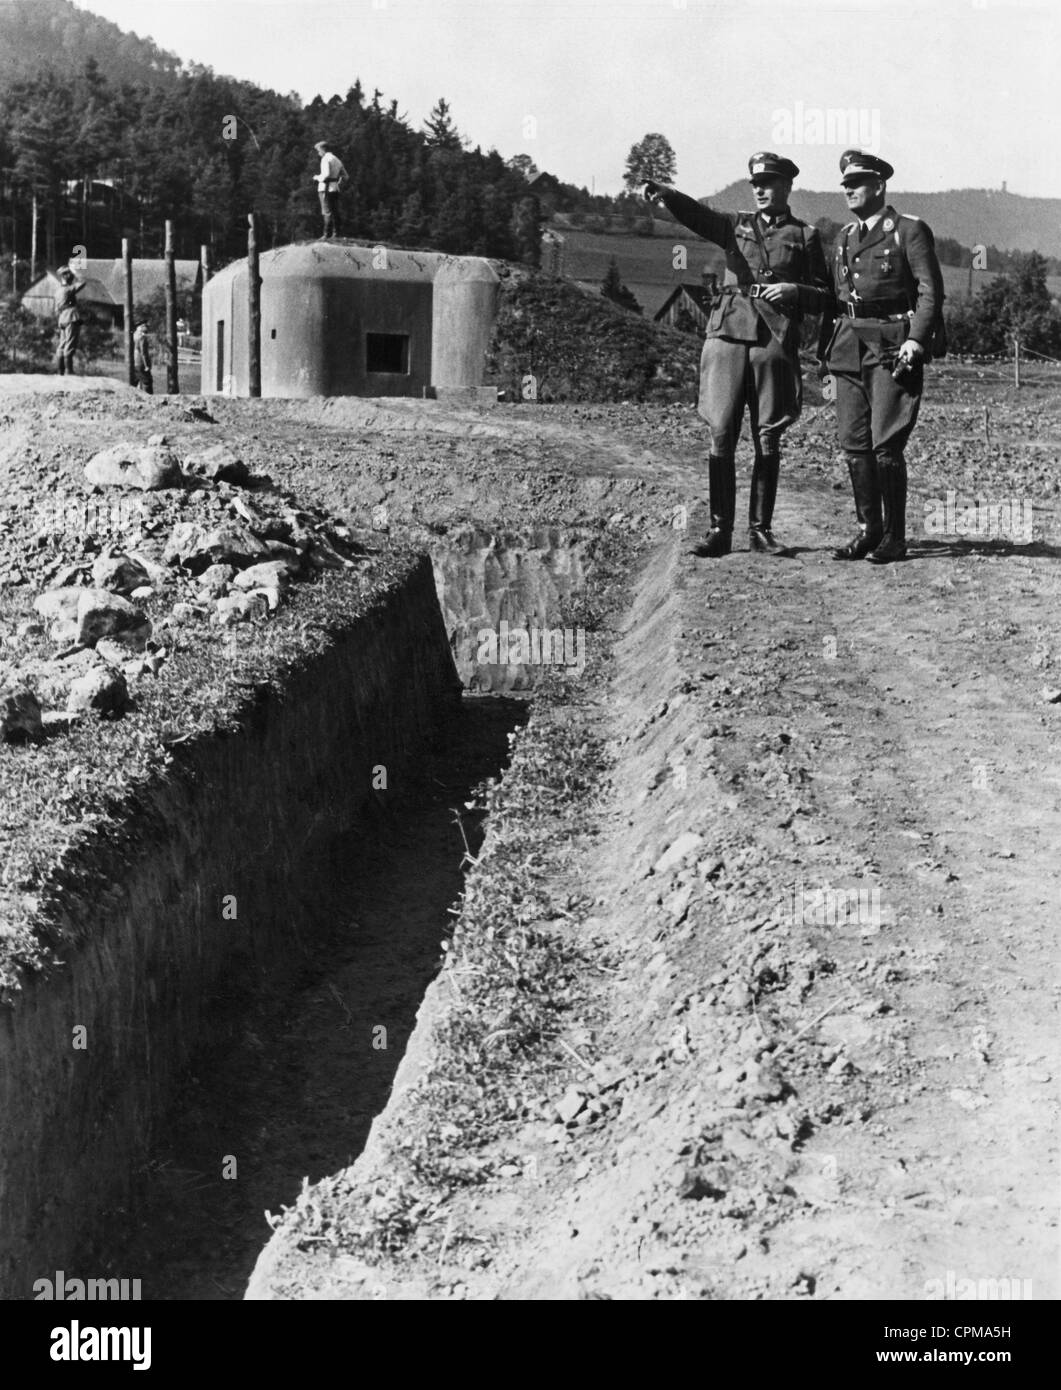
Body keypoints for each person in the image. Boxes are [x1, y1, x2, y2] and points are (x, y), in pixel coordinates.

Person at [642, 153, 832, 556]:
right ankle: (719, 531)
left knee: (768, 434)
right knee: (721, 431)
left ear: (787, 186)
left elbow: (825, 297)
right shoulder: (735, 226)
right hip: (727, 333)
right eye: (755, 183)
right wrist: (669, 195)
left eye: (768, 182)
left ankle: (760, 531)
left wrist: (796, 292)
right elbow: (697, 215)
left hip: (774, 341)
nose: (760, 190)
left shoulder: (805, 236)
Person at [818, 150, 945, 564]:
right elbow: (837, 301)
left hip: (893, 347)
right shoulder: (844, 237)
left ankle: (895, 536)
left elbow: (929, 292)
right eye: (846, 185)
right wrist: (825, 356)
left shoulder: (907, 230)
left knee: (886, 444)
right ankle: (868, 531)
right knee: (855, 444)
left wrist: (916, 340)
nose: (849, 190)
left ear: (879, 185)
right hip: (849, 346)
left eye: (857, 183)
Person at [312, 139, 349, 239]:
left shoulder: (325, 159)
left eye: (319, 150)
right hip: (335, 188)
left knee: (327, 211)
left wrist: (316, 177)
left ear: (323, 149)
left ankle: (326, 235)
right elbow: (346, 176)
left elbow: (326, 175)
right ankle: (336, 233)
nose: (318, 153)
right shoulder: (337, 159)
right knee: (335, 211)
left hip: (325, 188)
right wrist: (337, 182)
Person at [54, 266, 85, 376]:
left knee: (62, 345)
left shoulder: (57, 291)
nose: (71, 277)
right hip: (71, 317)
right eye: (69, 275)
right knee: (70, 344)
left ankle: (60, 372)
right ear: (66, 276)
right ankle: (69, 371)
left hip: (62, 318)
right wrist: (76, 272)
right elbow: (82, 282)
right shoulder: (68, 289)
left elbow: (56, 309)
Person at [133, 319, 153, 394]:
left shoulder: (133, 335)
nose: (146, 327)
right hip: (140, 362)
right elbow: (143, 352)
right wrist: (146, 365)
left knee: (134, 381)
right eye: (144, 325)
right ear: (140, 327)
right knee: (147, 381)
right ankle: (150, 398)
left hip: (133, 362)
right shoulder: (142, 337)